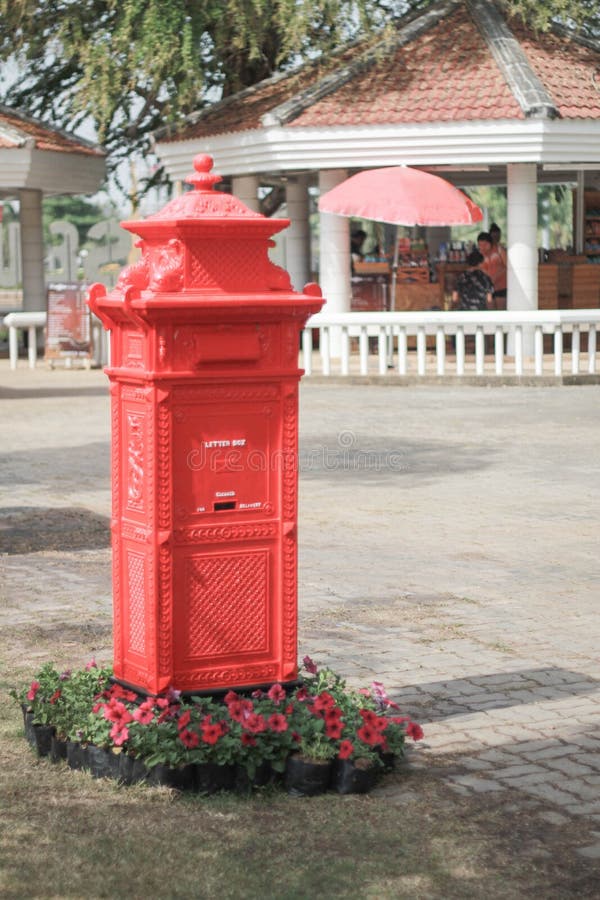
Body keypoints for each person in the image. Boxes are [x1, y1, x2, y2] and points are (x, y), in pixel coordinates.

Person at [477, 227, 507, 307]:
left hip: (501, 286)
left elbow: (507, 267)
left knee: (501, 313)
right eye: (480, 245)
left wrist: (496, 277)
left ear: (490, 243)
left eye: (485, 245)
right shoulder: (480, 255)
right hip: (488, 289)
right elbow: (480, 270)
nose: (482, 247)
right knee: (491, 313)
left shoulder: (499, 250)